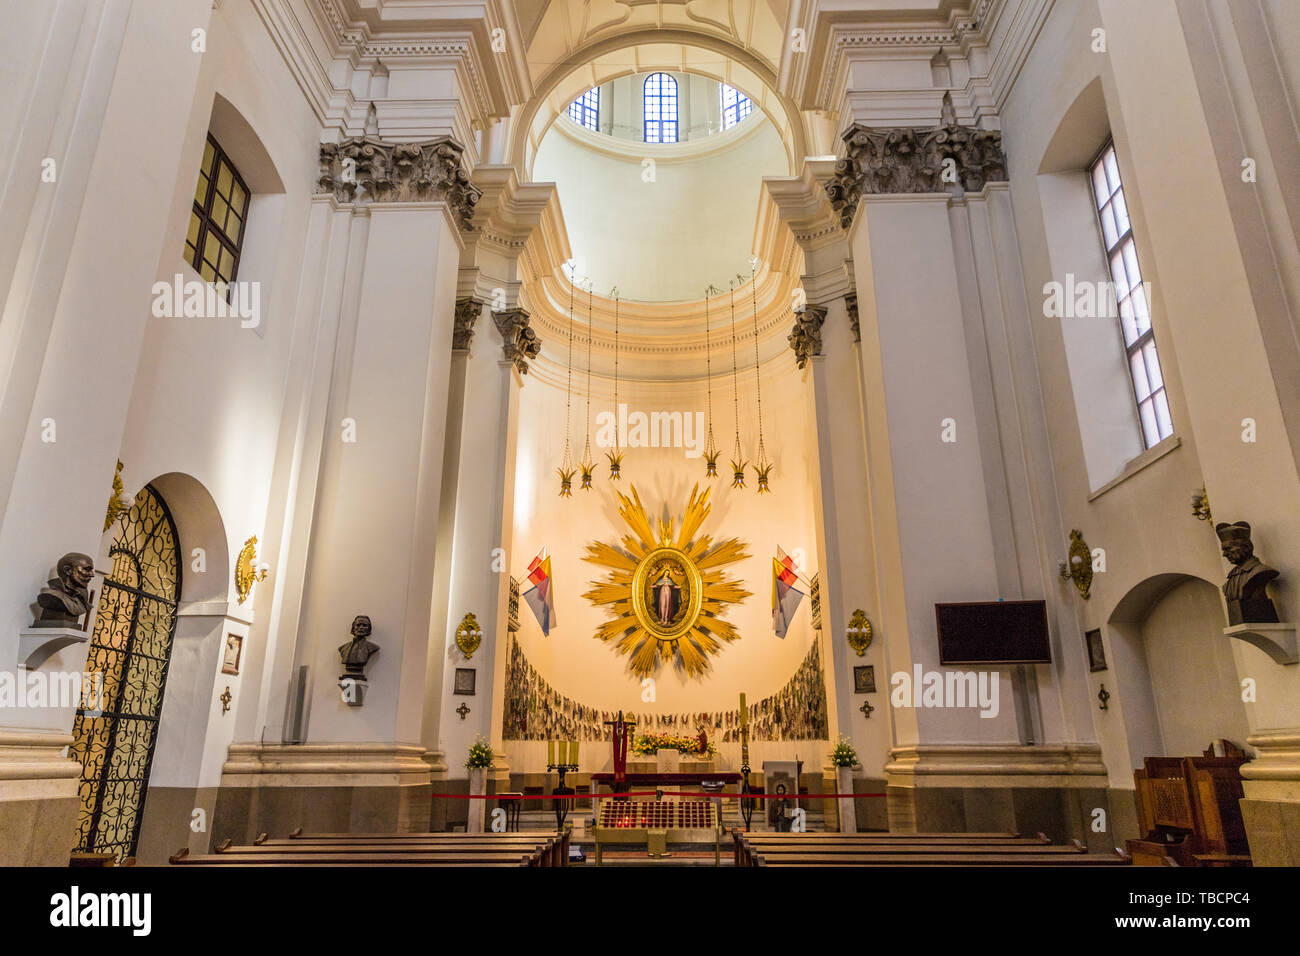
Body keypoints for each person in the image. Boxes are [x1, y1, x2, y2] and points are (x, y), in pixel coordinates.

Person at [34, 552, 95, 628]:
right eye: (86, 569)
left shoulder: (82, 597)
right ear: (68, 570)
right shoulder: (51, 596)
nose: (92, 574)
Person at [338, 615, 380, 679]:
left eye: (364, 625)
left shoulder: (372, 647)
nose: (361, 627)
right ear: (353, 627)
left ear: (369, 629)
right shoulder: (343, 648)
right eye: (358, 625)